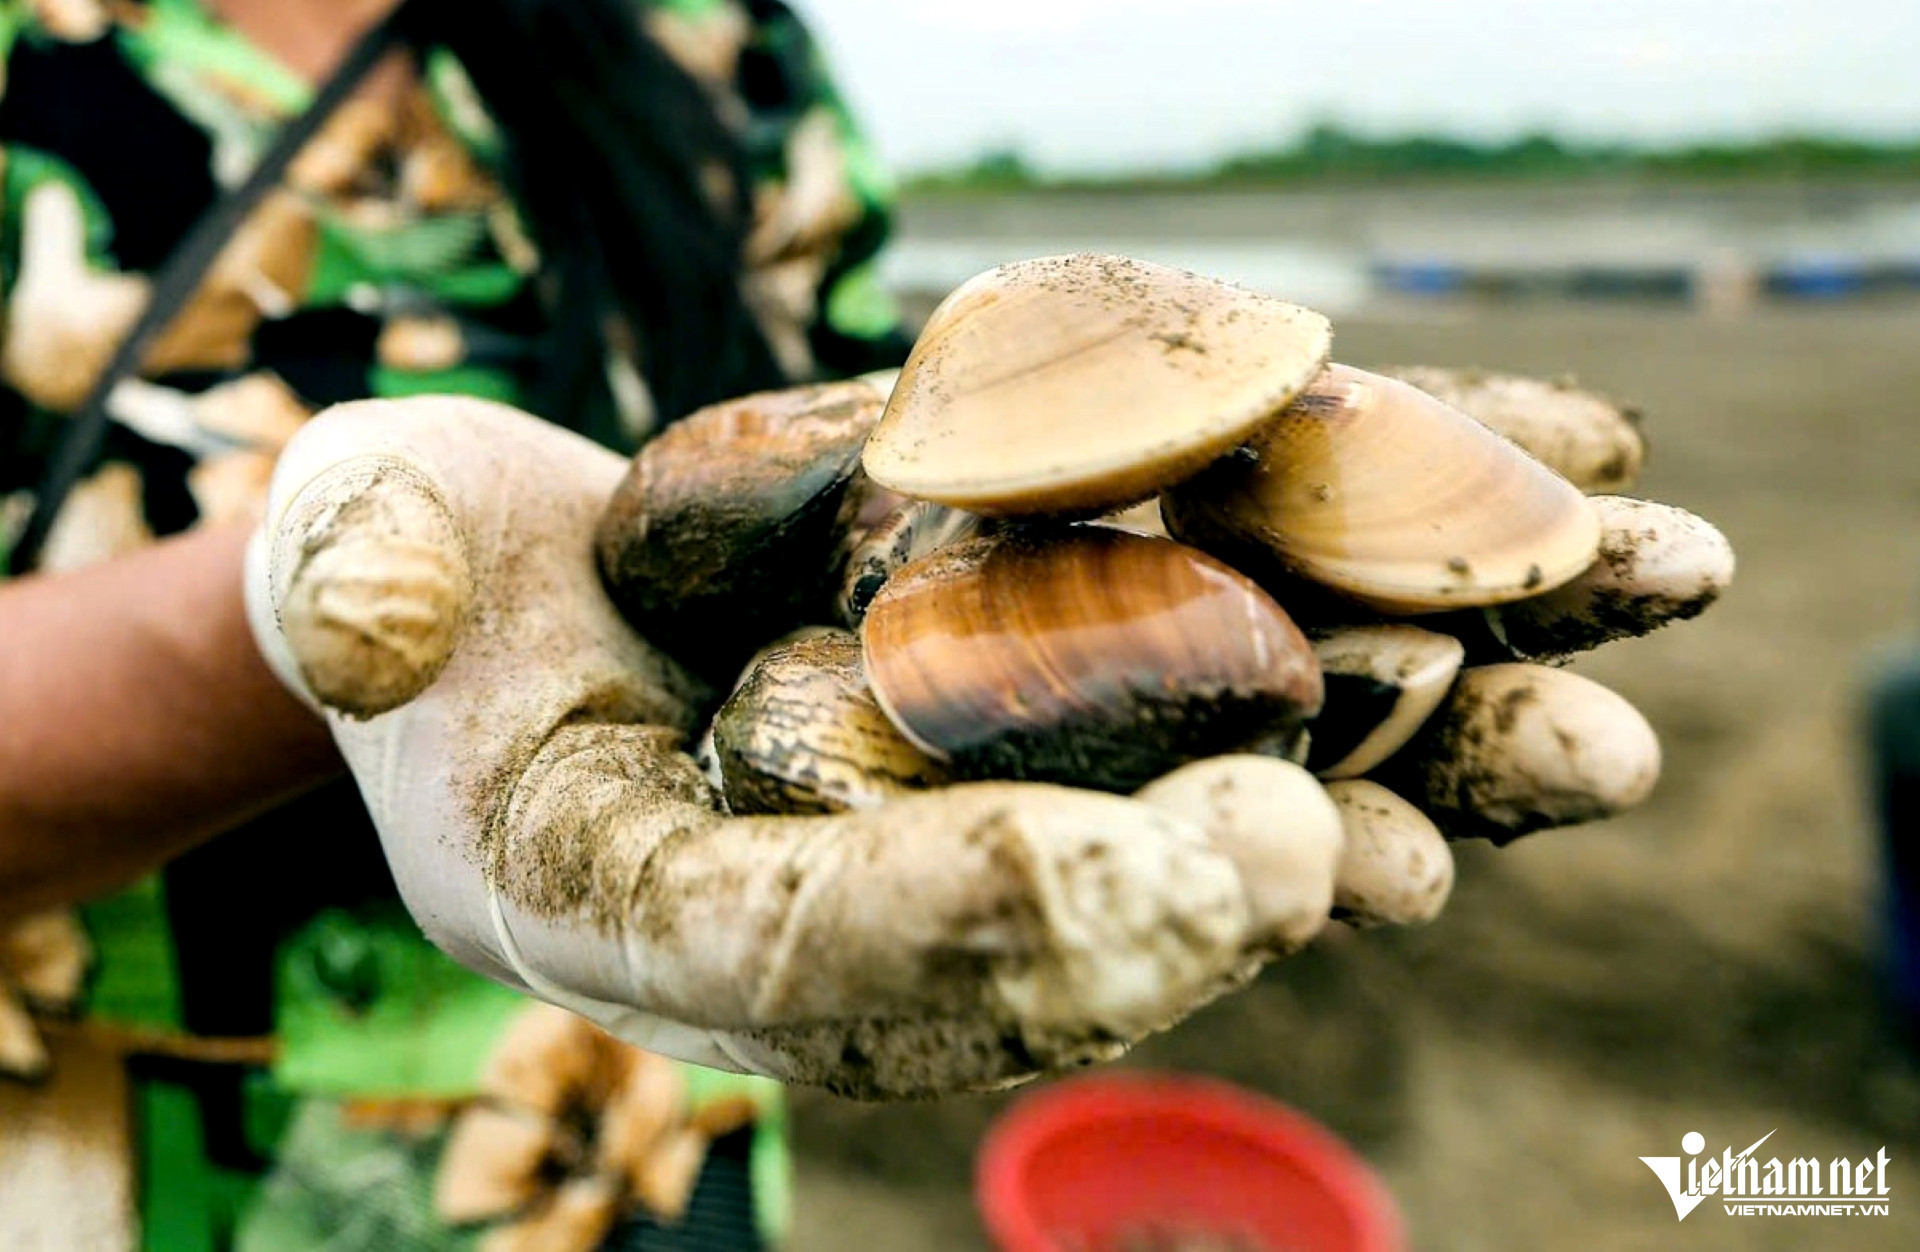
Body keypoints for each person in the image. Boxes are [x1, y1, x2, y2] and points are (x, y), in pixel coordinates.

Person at [0, 0, 911, 1246]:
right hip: (128, 1153)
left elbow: (878, 473)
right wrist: (306, 622)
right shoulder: (40, 59)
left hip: (646, 1128)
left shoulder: (718, 41)